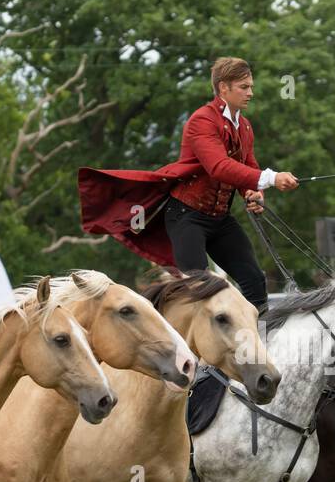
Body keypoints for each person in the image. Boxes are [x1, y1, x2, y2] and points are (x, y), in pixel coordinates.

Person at [79, 57, 298, 311]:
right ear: (223, 87)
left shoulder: (245, 127)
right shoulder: (202, 121)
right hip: (187, 218)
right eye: (244, 87)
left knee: (255, 280)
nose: (251, 92)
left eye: (250, 86)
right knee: (198, 290)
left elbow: (248, 167)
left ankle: (256, 343)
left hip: (220, 219)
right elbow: (218, 166)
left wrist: (254, 192)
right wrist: (271, 178)